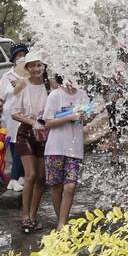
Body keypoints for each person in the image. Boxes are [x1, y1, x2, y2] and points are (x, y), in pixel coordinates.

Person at [5, 51, 50, 234]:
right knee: (30, 175)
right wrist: (33, 123)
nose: (36, 68)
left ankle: (33, 214)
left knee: (41, 177)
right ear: (27, 68)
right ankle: (25, 216)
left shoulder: (49, 85)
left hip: (46, 133)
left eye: (39, 65)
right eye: (32, 65)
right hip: (26, 132)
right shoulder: (23, 85)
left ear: (44, 67)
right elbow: (14, 113)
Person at [43, 72, 90, 228]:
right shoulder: (55, 95)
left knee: (70, 187)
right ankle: (61, 223)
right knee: (56, 187)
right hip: (55, 147)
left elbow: (86, 116)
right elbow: (48, 123)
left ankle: (62, 223)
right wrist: (70, 117)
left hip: (75, 148)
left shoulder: (82, 94)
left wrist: (86, 115)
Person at [0, 44, 30, 193]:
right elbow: (1, 96)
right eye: (18, 55)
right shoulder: (7, 76)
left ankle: (21, 175)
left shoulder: (31, 74)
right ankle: (14, 178)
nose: (21, 57)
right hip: (12, 115)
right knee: (15, 144)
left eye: (23, 54)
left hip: (27, 114)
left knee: (23, 145)